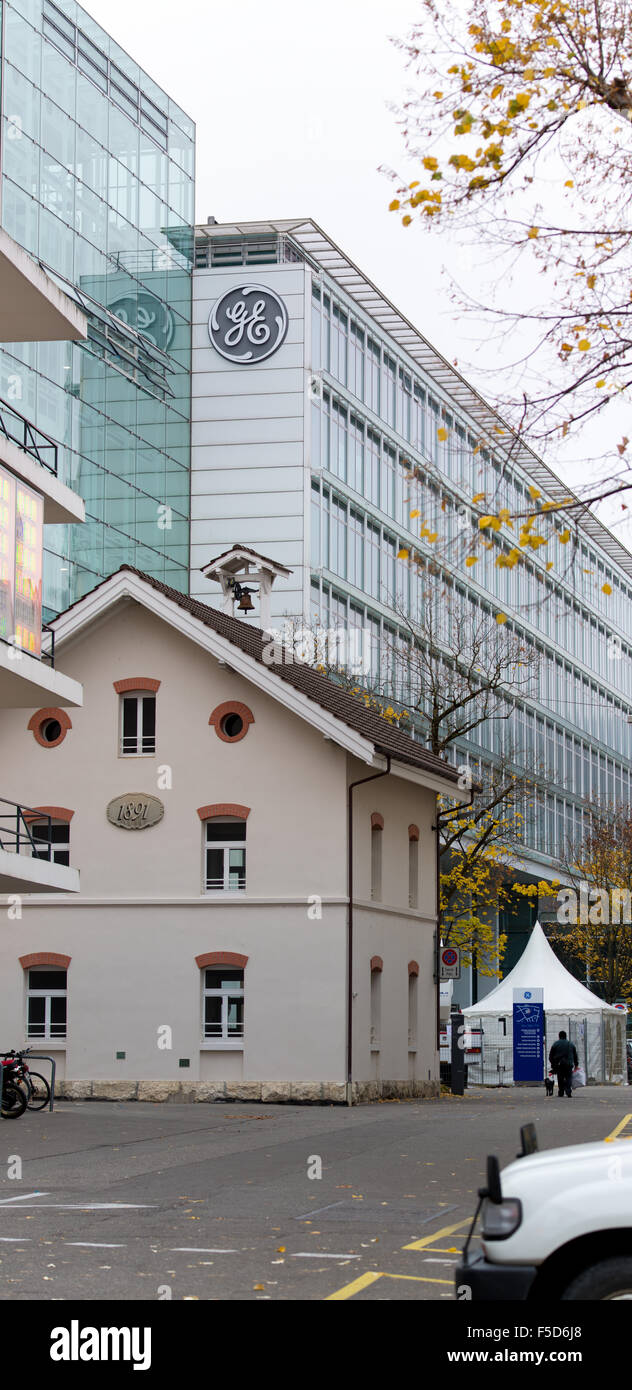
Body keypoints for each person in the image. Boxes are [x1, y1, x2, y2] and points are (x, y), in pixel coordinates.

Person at [549, 1030, 579, 1098]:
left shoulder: (555, 1044)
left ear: (559, 1036)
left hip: (559, 1064)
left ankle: (561, 1092)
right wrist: (576, 1064)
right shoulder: (571, 1044)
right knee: (568, 1078)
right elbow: (575, 1055)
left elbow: (551, 1056)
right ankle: (568, 1091)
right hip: (569, 1064)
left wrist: (553, 1064)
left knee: (560, 1078)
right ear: (566, 1036)